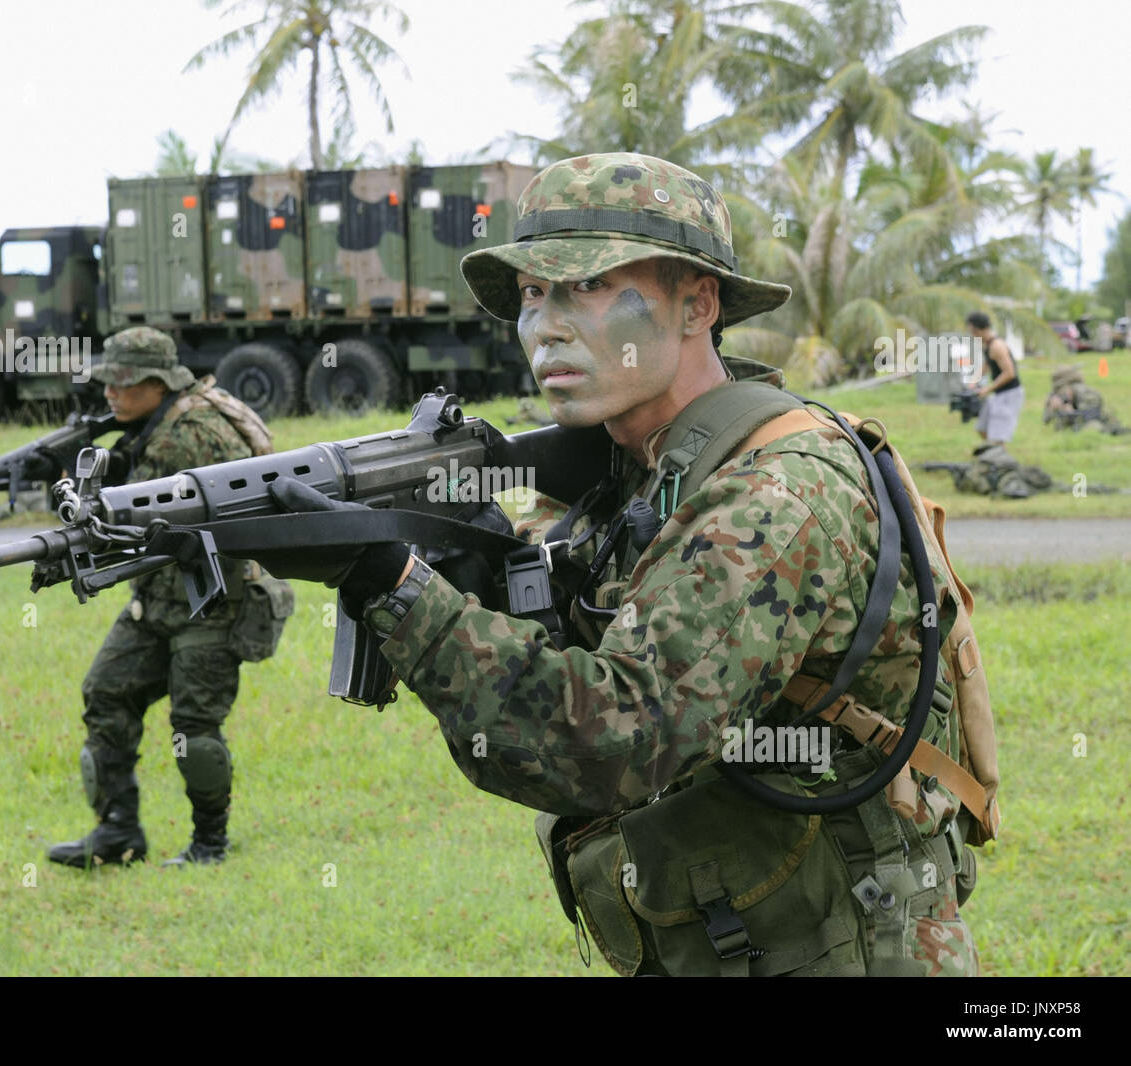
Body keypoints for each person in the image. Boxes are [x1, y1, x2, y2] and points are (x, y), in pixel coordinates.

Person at [268, 153, 986, 976]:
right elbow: (572, 642)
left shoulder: (773, 495)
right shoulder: (636, 468)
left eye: (586, 287)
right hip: (744, 929)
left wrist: (390, 583)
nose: (546, 326)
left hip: (844, 945)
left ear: (697, 303)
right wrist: (471, 559)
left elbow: (614, 744)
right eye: (533, 295)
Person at [48, 327, 292, 869]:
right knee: (106, 694)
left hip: (214, 599)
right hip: (157, 598)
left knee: (194, 728)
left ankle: (210, 844)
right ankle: (117, 835)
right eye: (107, 381)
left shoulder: (191, 433)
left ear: (158, 383)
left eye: (123, 382)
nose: (111, 393)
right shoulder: (163, 422)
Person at [965, 311, 1023, 444]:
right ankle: (995, 453)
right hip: (998, 394)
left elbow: (1010, 373)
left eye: (972, 331)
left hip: (1010, 394)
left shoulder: (997, 346)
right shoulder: (988, 345)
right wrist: (972, 383)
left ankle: (999, 459)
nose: (972, 335)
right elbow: (987, 365)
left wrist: (987, 389)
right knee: (982, 428)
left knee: (997, 436)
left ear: (979, 329)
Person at [1043, 365, 1127, 434]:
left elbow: (1091, 416)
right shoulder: (1055, 396)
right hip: (1075, 424)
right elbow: (1046, 420)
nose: (1062, 393)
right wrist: (1053, 409)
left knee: (1093, 427)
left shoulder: (1086, 393)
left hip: (1096, 421)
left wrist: (1070, 412)